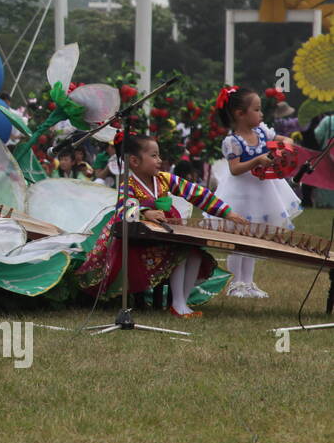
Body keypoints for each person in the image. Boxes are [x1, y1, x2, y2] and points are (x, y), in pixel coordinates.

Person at [72, 133, 235, 317]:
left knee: (194, 256)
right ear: (134, 161)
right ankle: (178, 305)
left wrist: (228, 213)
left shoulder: (164, 179)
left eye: (159, 155)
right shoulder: (129, 184)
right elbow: (122, 209)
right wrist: (144, 212)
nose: (159, 160)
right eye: (154, 156)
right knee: (179, 254)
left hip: (165, 235)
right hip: (138, 244)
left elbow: (196, 193)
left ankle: (182, 302)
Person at [212, 86, 302, 299]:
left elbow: (281, 139)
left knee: (254, 238)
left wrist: (286, 143)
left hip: (263, 193)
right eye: (257, 110)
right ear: (240, 114)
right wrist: (257, 160)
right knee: (239, 239)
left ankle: (249, 282)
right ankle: (236, 283)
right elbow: (235, 170)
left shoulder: (262, 131)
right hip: (241, 195)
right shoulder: (232, 141)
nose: (261, 114)